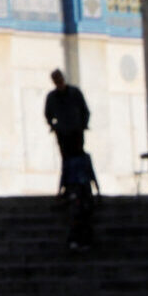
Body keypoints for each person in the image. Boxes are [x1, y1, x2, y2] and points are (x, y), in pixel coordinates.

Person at [45, 70, 91, 201]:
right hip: (63, 134)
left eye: (59, 79)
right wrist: (54, 126)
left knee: (78, 159)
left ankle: (82, 186)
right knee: (66, 160)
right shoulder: (52, 97)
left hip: (76, 132)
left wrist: (82, 125)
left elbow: (85, 110)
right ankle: (69, 187)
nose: (59, 82)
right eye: (56, 80)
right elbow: (48, 114)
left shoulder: (75, 93)